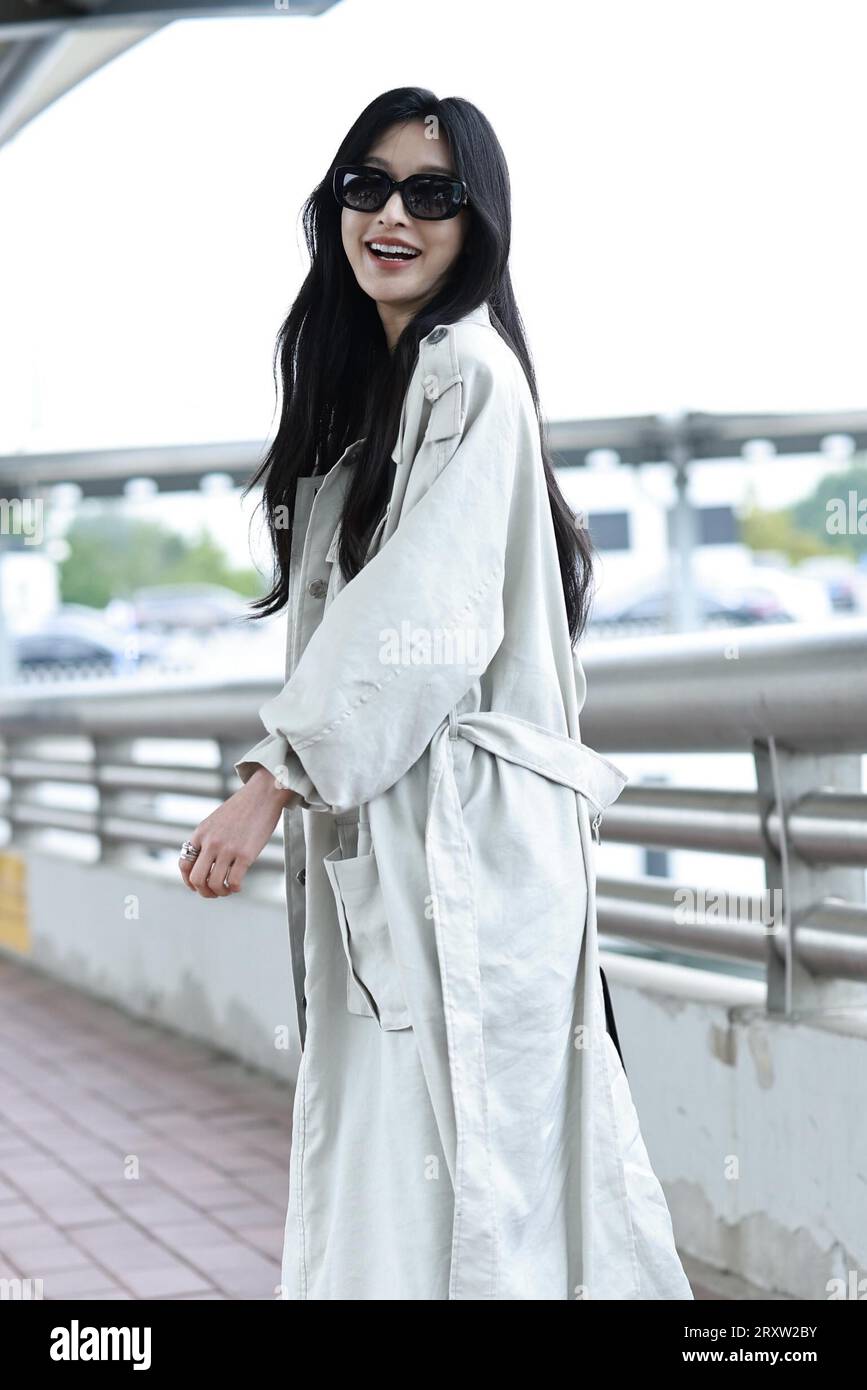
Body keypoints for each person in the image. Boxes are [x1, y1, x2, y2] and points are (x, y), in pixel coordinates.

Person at [178, 86, 693, 1301]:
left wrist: (273, 775)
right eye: (367, 186)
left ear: (478, 222)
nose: (392, 215)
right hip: (409, 847)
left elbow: (426, 612)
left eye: (432, 192)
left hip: (471, 853)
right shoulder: (382, 393)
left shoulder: (469, 370)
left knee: (482, 1177)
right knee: (424, 1167)